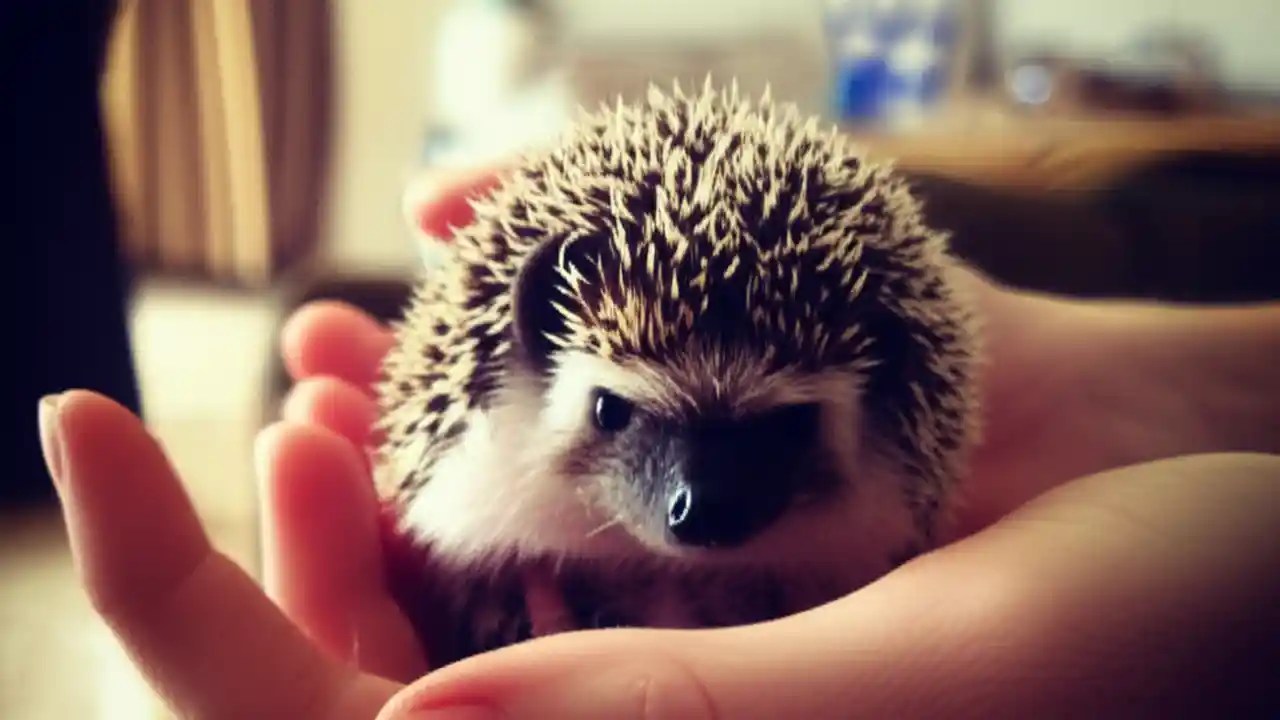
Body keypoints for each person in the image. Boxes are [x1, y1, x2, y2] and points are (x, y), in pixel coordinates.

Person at [37, 169, 1280, 719]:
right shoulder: (484, 470)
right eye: (622, 417)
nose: (693, 503)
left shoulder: (902, 473)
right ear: (537, 359)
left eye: (776, 435)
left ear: (873, 403)